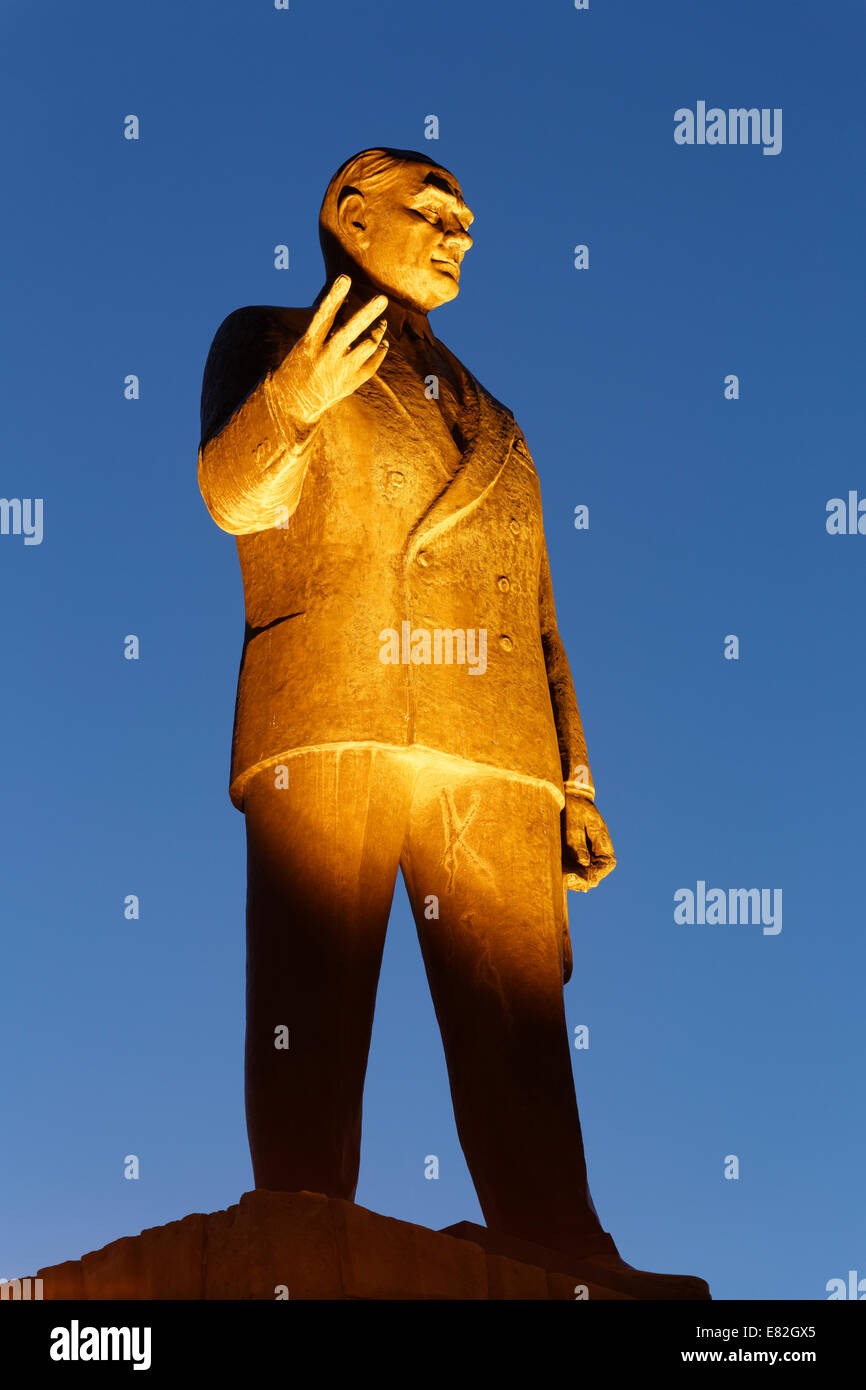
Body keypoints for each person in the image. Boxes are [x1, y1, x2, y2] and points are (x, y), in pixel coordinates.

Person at [198, 148, 707, 1298]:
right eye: (431, 212)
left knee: (517, 1025)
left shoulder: (499, 421)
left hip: (494, 749)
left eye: (466, 221)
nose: (456, 234)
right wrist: (295, 400)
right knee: (309, 994)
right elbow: (233, 495)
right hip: (332, 711)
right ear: (347, 214)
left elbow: (537, 614)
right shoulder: (271, 337)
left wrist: (572, 778)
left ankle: (558, 1235)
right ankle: (299, 1216)